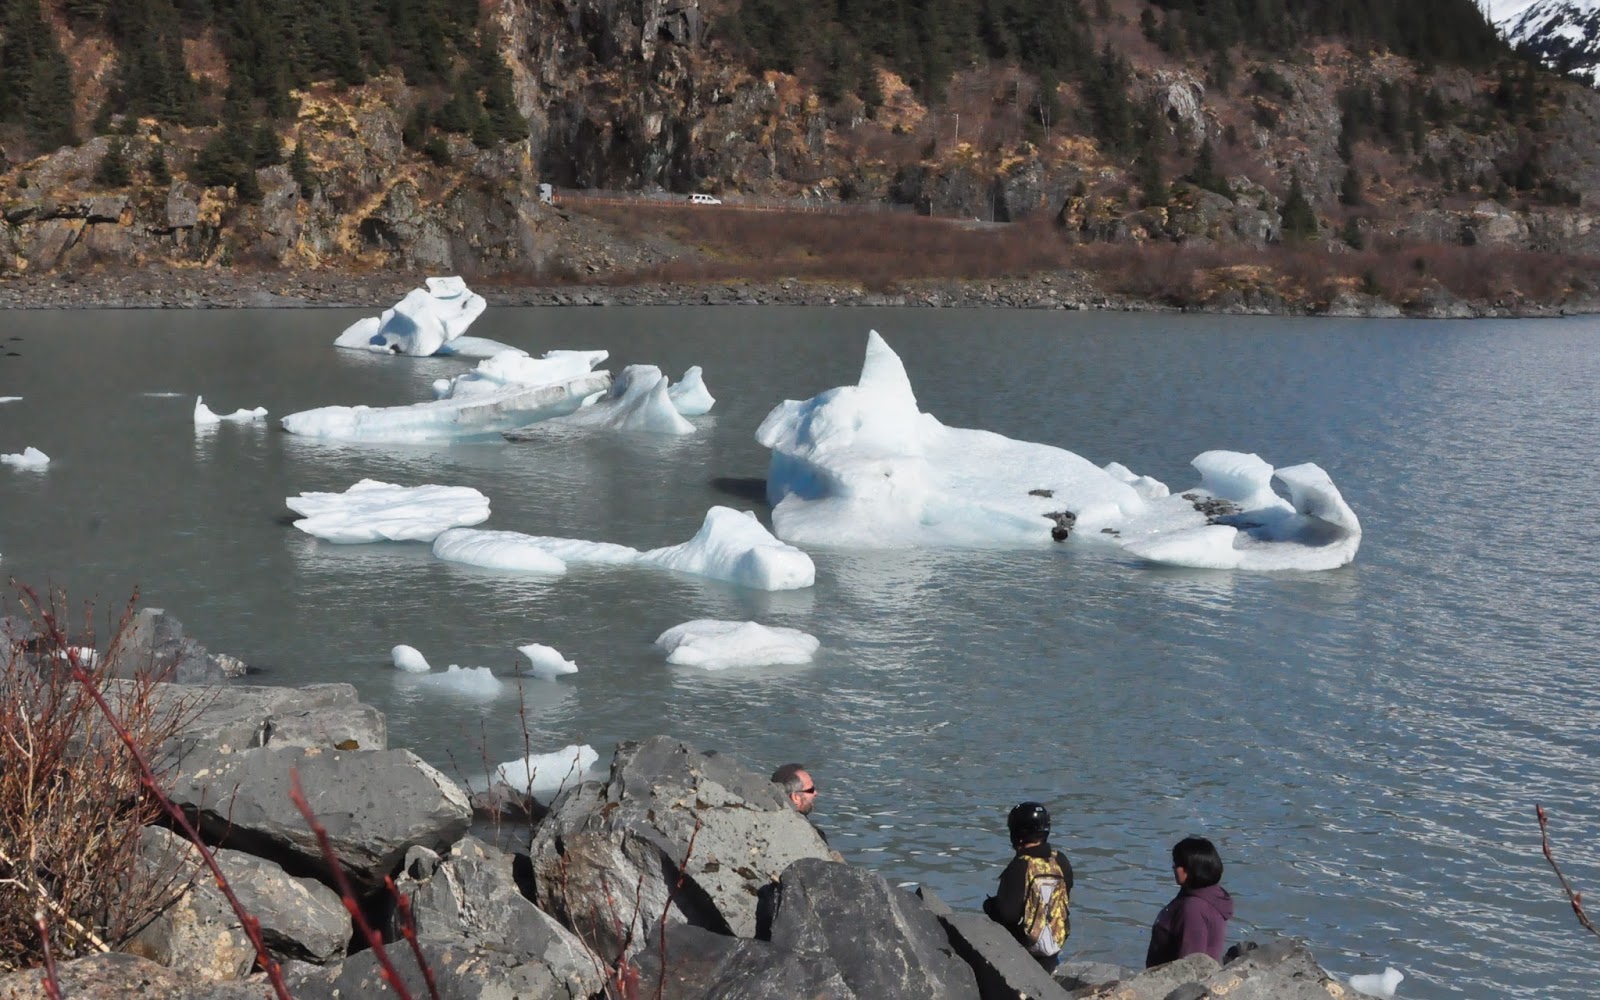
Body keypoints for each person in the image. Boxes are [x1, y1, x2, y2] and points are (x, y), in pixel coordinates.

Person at [983, 801, 1073, 970]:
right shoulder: (1060, 860)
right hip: (1055, 944)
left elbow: (1008, 915)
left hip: (1027, 948)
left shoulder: (1020, 866)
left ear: (1016, 832)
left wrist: (989, 906)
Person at [1145, 836, 1233, 967]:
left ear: (1192, 869)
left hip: (1172, 978)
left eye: (1178, 864)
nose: (1174, 867)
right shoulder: (1209, 897)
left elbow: (1190, 963)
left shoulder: (1193, 909)